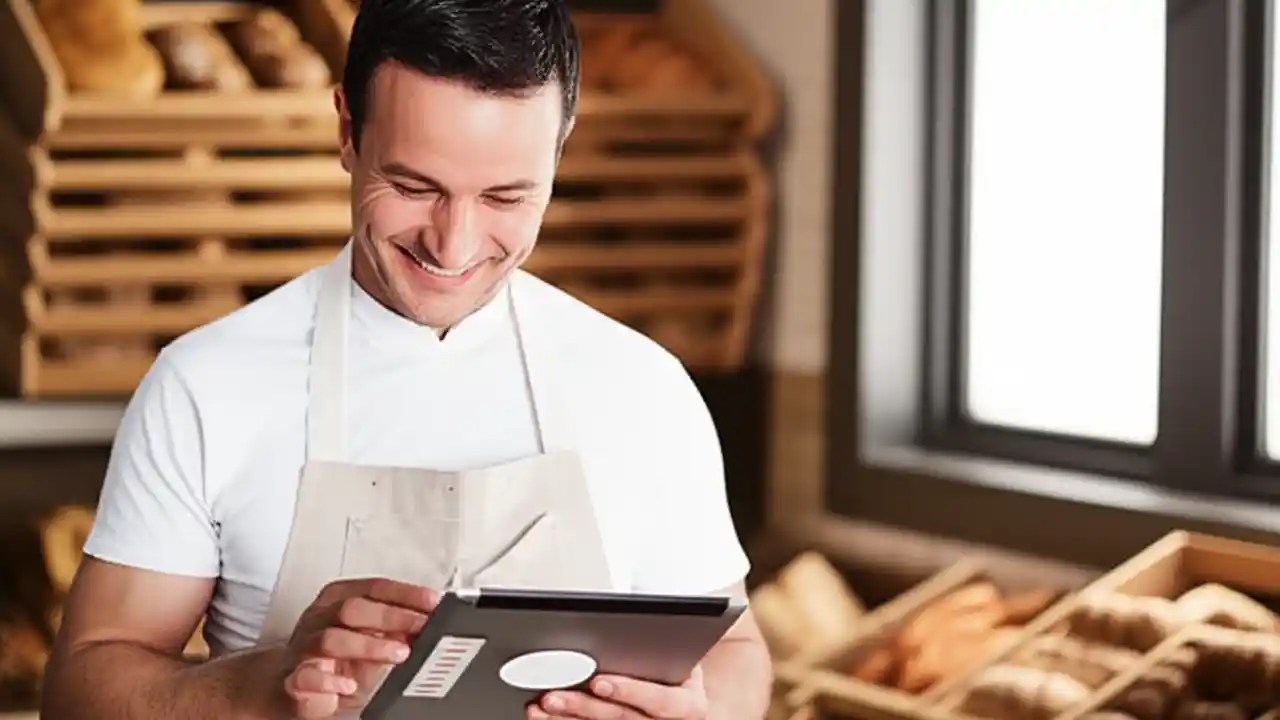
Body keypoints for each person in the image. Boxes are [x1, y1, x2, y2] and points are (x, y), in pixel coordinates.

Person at [39, 0, 773, 718]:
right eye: (414, 187)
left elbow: (735, 654)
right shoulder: (206, 386)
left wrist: (701, 712)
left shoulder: (643, 387)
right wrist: (260, 687)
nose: (452, 246)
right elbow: (81, 687)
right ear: (349, 131)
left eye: (506, 196)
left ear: (561, 147)